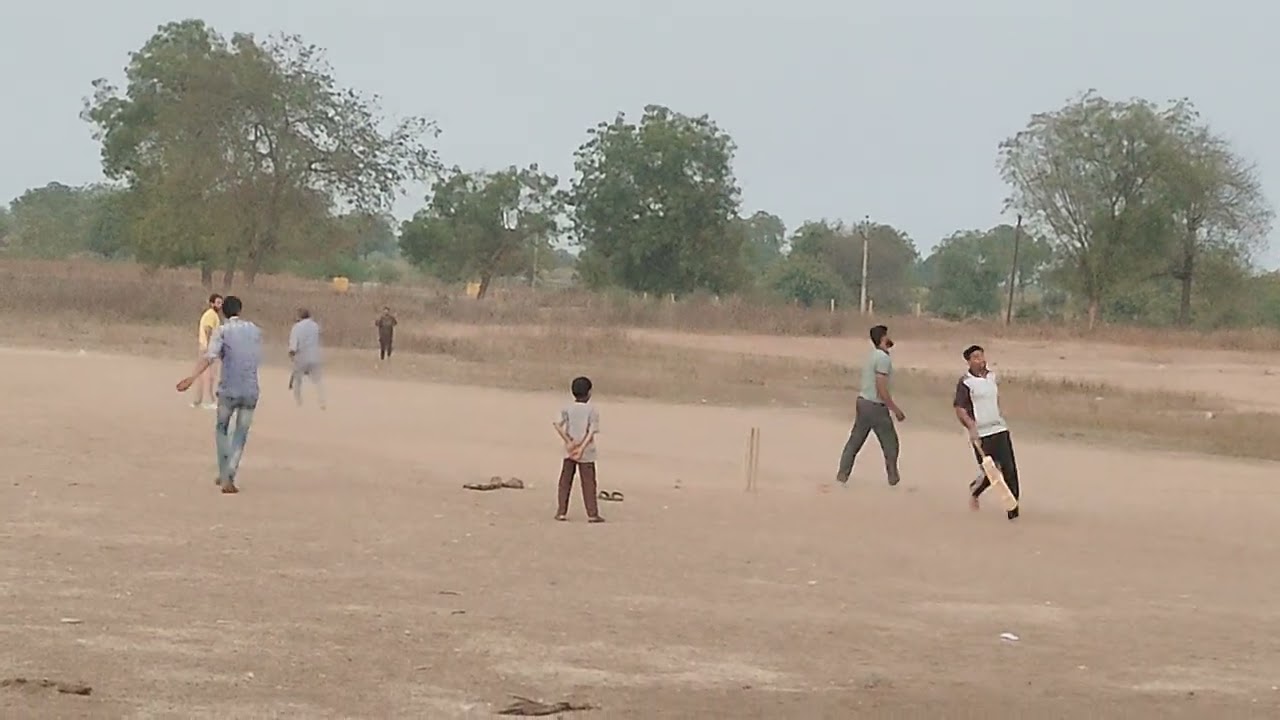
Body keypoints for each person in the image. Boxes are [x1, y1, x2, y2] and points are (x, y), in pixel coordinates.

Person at [175, 296, 261, 494]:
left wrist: (192, 378)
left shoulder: (222, 331)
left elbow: (210, 357)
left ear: (223, 312)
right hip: (250, 389)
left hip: (229, 389)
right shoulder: (254, 330)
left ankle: (225, 474)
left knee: (222, 428)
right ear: (240, 310)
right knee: (241, 433)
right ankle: (230, 471)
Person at [953, 344, 1020, 520]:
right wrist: (970, 426)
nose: (980, 360)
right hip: (981, 433)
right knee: (991, 472)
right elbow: (960, 408)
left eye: (982, 356)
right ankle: (975, 491)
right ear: (968, 361)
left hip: (1000, 429)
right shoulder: (966, 382)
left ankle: (1013, 510)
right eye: (975, 357)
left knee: (1010, 470)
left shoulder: (992, 376)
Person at [836, 324, 905, 487]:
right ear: (883, 338)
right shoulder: (883, 358)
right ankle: (893, 480)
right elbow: (881, 386)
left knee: (855, 441)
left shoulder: (872, 355)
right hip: (875, 406)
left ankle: (842, 476)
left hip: (863, 402)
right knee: (890, 444)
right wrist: (895, 409)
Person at [551, 376, 604, 523]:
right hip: (586, 451)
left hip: (569, 450)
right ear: (589, 392)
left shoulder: (567, 408)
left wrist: (569, 441)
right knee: (588, 482)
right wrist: (581, 447)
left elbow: (557, 424)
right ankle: (592, 513)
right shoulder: (592, 409)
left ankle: (561, 511)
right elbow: (591, 431)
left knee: (565, 480)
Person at [288, 308, 326, 409]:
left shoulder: (296, 327)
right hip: (315, 356)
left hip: (301, 357)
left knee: (298, 382)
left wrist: (291, 355)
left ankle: (299, 403)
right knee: (318, 381)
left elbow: (293, 346)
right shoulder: (315, 326)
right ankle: (322, 402)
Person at [192, 294, 223, 409]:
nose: (220, 305)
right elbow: (208, 330)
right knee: (210, 375)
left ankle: (199, 400)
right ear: (212, 303)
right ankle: (211, 400)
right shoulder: (211, 315)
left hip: (204, 347)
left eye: (221, 303)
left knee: (203, 374)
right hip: (208, 349)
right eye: (218, 303)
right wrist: (211, 348)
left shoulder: (211, 315)